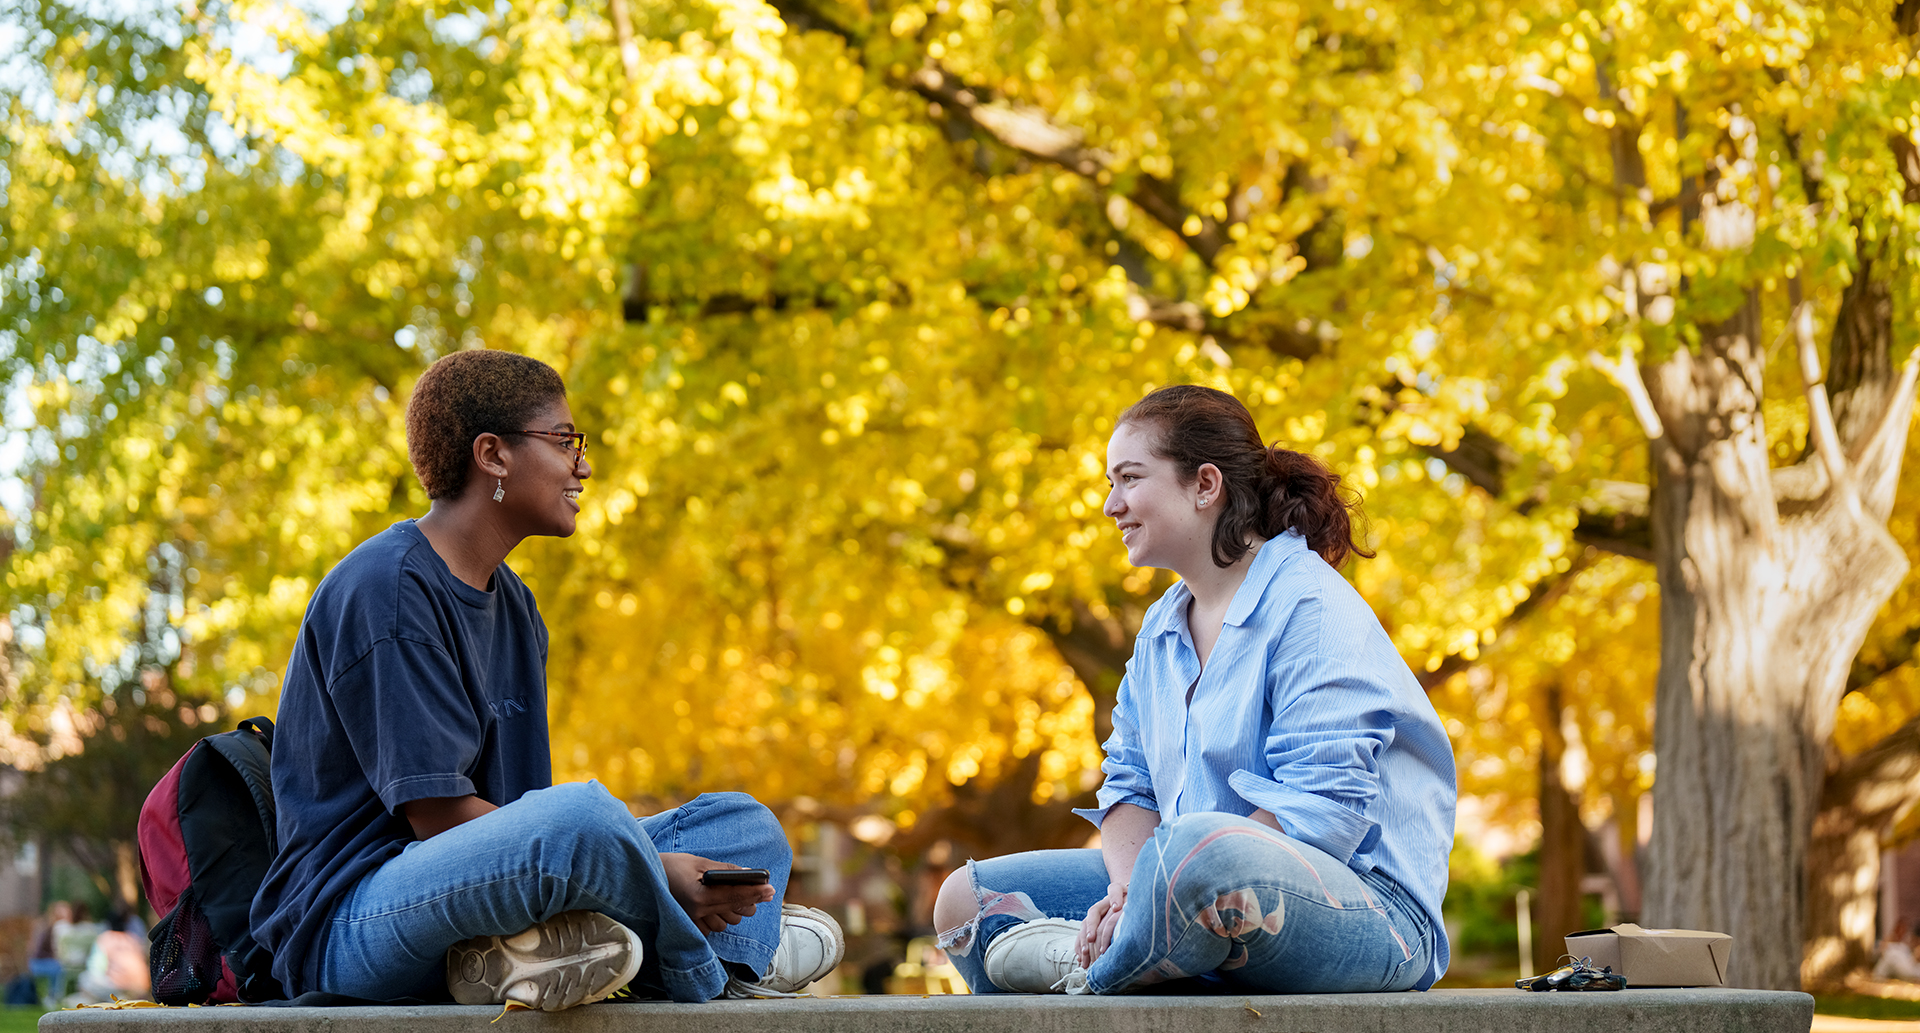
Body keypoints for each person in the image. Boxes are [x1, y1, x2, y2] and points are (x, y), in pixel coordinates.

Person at [249, 350, 843, 1010]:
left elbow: (517, 823)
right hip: (353, 924)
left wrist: (627, 863)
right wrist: (656, 873)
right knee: (580, 819)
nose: (582, 465)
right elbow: (442, 822)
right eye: (564, 442)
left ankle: (535, 957)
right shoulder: (387, 591)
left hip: (485, 892)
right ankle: (719, 976)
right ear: (493, 456)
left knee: (741, 826)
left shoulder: (516, 606)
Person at [933, 385, 1456, 994]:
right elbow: (1130, 784)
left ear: (1205, 485)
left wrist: (1163, 887)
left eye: (1130, 478)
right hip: (1188, 890)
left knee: (1203, 852)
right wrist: (1129, 893)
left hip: (1369, 912)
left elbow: (1323, 807)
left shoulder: (1309, 606)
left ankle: (1087, 973)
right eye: (1111, 483)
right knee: (966, 903)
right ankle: (1131, 954)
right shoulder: (1160, 629)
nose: (1112, 506)